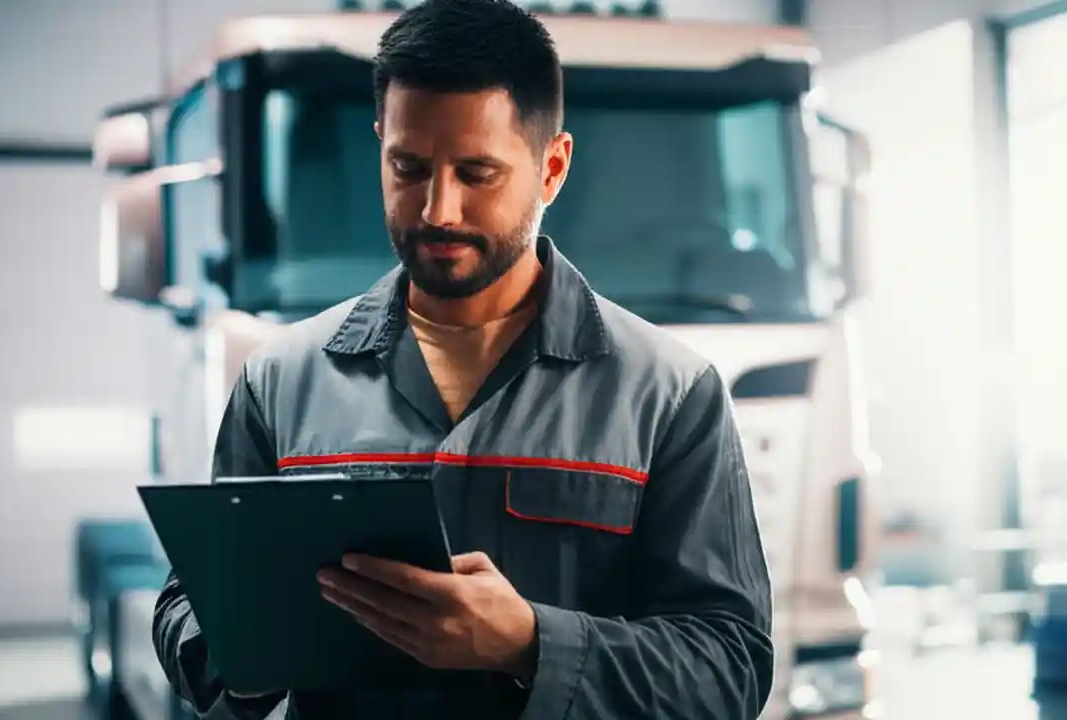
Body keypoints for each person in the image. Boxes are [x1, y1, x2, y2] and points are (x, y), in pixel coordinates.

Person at [154, 0, 773, 717]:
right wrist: (235, 651)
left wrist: (530, 644)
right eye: (409, 168)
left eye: (477, 173)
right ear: (380, 145)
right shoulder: (280, 381)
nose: (437, 210)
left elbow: (729, 669)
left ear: (552, 168)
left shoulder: (669, 394)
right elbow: (188, 606)